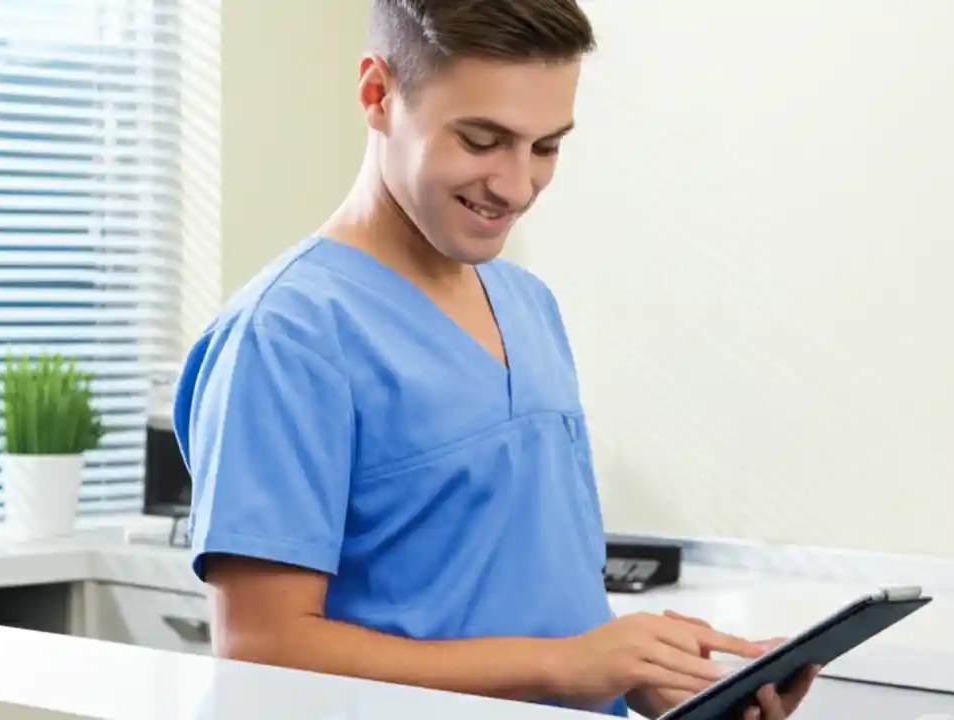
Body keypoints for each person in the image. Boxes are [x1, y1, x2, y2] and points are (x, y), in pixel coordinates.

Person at [172, 1, 819, 717]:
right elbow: (262, 651)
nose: (516, 187)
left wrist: (637, 668)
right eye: (482, 140)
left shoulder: (527, 304)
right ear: (377, 95)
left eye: (546, 148)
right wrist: (564, 664)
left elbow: (519, 600)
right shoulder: (288, 336)